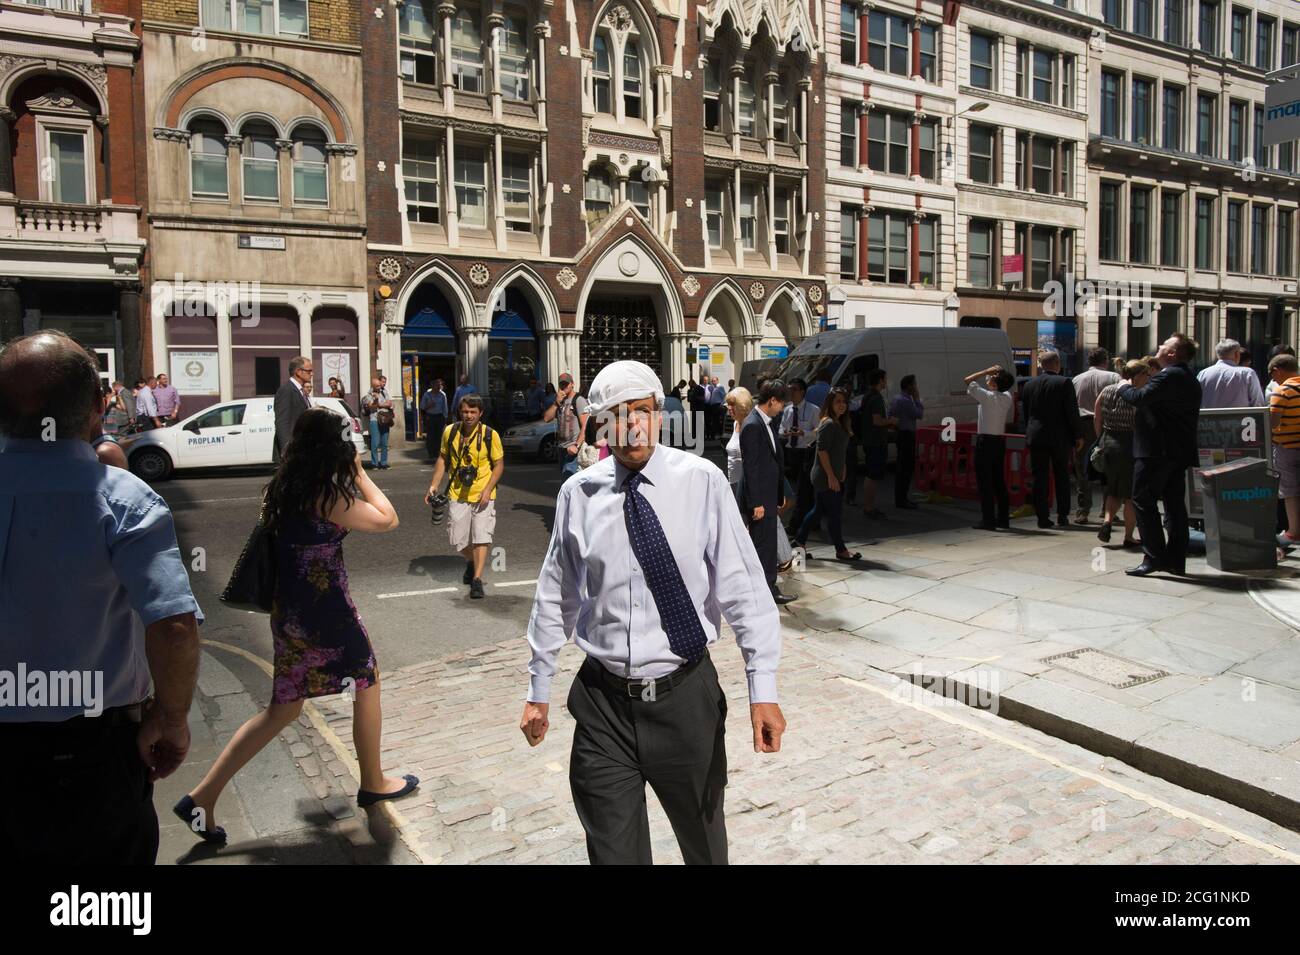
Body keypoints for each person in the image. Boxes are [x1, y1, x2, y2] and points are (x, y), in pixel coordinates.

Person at [520, 360, 785, 865]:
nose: (633, 424)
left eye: (643, 410)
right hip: (604, 709)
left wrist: (763, 690)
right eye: (618, 415)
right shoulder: (579, 494)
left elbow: (744, 589)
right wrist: (538, 690)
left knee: (705, 847)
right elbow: (556, 595)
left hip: (685, 699)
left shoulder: (701, 482)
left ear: (660, 414)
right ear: (600, 424)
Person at [0, 330, 201, 864]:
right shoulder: (124, 498)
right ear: (99, 407)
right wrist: (170, 718)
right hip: (86, 757)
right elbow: (174, 626)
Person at [178, 409, 416, 843]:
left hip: (288, 615)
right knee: (368, 680)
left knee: (283, 708)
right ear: (334, 449)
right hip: (326, 614)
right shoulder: (325, 496)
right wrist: (360, 473)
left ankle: (202, 795)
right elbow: (387, 518)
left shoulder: (281, 489)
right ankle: (373, 782)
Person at [1118, 333, 1202, 576]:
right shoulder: (1187, 377)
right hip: (1178, 451)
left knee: (1142, 500)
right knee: (1174, 505)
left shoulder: (1170, 376)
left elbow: (1139, 397)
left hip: (1156, 451)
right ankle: (1176, 560)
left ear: (1173, 353)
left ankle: (1155, 557)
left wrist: (1124, 385)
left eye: (1165, 344)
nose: (1159, 346)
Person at [425, 394, 504, 599]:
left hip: (483, 493)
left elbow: (499, 465)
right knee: (457, 539)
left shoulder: (489, 435)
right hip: (458, 492)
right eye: (465, 411)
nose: (468, 416)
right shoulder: (450, 432)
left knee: (481, 537)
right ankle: (471, 561)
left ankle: (477, 580)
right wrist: (433, 485)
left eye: (473, 412)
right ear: (460, 412)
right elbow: (443, 459)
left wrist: (487, 490)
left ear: (480, 414)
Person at [741, 378, 795, 605]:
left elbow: (775, 460)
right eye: (781, 403)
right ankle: (767, 591)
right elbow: (751, 467)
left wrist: (779, 493)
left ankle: (765, 588)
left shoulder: (767, 422)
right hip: (760, 499)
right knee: (764, 547)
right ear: (772, 400)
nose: (783, 407)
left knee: (768, 544)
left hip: (769, 495)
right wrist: (756, 503)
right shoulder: (753, 424)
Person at [793, 387, 860, 561]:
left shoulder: (840, 422)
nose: (842, 405)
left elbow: (839, 450)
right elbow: (822, 451)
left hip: (833, 474)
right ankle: (841, 550)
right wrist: (831, 476)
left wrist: (843, 467)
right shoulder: (828, 423)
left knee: (818, 511)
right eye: (837, 401)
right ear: (830, 403)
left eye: (844, 401)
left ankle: (799, 541)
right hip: (824, 476)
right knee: (834, 513)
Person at [1021, 350, 1084, 529]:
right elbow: (1071, 412)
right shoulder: (1064, 382)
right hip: (1059, 437)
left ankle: (1042, 517)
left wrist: (1028, 432)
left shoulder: (1029, 384)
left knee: (1039, 477)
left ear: (1041, 365)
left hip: (1036, 436)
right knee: (1061, 475)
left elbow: (1026, 414)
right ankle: (1062, 515)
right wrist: (1078, 435)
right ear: (1057, 363)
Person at [1094, 359, 1149, 548]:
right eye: (1146, 375)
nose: (1148, 379)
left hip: (1109, 443)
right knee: (1131, 495)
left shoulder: (1107, 390)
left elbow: (1097, 415)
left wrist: (1100, 438)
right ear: (1138, 375)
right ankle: (1128, 536)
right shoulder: (1136, 395)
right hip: (1131, 445)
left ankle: (1107, 522)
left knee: (1113, 489)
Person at [1070, 348, 1121, 523]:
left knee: (1082, 469)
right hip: (1107, 424)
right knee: (1109, 467)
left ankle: (1083, 511)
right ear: (1105, 361)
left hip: (1082, 425)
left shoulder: (1076, 379)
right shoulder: (1113, 378)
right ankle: (1107, 510)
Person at [964, 365, 1015, 531]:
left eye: (991, 378)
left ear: (994, 384)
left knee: (984, 483)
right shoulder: (1007, 397)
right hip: (998, 442)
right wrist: (995, 375)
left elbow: (968, 380)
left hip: (985, 441)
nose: (988, 378)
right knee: (999, 481)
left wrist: (986, 371)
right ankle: (1003, 519)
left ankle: (988, 520)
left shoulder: (986, 396)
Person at [779, 378, 819, 535]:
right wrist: (786, 433)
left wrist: (804, 433)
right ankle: (812, 519)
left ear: (802, 391)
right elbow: (781, 429)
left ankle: (795, 524)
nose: (791, 392)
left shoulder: (813, 410)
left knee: (803, 490)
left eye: (794, 389)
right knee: (803, 489)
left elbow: (818, 432)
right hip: (792, 451)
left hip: (806, 451)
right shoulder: (788, 410)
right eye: (789, 389)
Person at [1268, 354, 1300, 542]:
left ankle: (1294, 531)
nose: (1273, 380)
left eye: (1272, 376)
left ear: (1277, 370)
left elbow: (1272, 421)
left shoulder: (1282, 391)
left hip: (1286, 447)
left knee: (1290, 490)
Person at [858, 369, 897, 518]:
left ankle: (869, 506)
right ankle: (869, 508)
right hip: (875, 441)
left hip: (870, 440)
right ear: (880, 380)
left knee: (871, 474)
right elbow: (877, 420)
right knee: (872, 475)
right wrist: (891, 421)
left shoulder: (868, 396)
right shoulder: (876, 398)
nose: (886, 382)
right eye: (885, 379)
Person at [1198, 338, 1266, 409]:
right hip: (1239, 419)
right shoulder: (1247, 373)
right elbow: (1258, 405)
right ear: (1237, 354)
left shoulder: (1203, 374)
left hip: (1209, 419)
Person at [888, 375, 924, 510]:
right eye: (914, 384)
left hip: (900, 434)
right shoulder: (906, 401)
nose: (916, 387)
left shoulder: (897, 399)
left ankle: (901, 498)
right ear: (909, 386)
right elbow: (919, 414)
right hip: (907, 435)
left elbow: (890, 413)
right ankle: (902, 499)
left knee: (902, 467)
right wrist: (917, 399)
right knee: (906, 468)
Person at [543, 372, 588, 476]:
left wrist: (576, 446)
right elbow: (546, 418)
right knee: (565, 484)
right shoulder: (560, 401)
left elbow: (585, 426)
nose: (564, 386)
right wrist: (556, 403)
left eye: (566, 384)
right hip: (562, 450)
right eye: (561, 384)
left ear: (572, 384)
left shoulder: (579, 400)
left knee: (570, 482)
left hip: (574, 451)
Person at [273, 356, 313, 466]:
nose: (312, 374)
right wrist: (287, 451)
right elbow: (282, 422)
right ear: (299, 372)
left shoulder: (300, 391)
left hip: (303, 449)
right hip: (293, 452)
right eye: (309, 371)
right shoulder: (286, 390)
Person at [724, 385, 753, 508]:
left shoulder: (752, 426)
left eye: (732, 405)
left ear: (743, 405)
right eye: (728, 404)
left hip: (748, 485)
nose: (729, 408)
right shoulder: (736, 422)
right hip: (733, 482)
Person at [360, 375, 393, 470]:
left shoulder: (384, 392)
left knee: (384, 442)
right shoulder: (368, 395)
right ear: (373, 386)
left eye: (380, 385)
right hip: (374, 419)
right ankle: (374, 463)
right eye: (377, 386)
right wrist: (376, 400)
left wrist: (379, 404)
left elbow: (389, 403)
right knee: (375, 442)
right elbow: (371, 407)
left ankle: (383, 463)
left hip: (385, 419)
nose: (379, 387)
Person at [419, 377, 448, 462]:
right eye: (437, 385)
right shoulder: (427, 395)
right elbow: (422, 407)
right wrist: (429, 405)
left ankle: (438, 452)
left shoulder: (442, 395)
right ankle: (431, 453)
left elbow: (444, 407)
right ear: (432, 386)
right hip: (430, 416)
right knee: (431, 435)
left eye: (439, 385)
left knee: (439, 435)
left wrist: (445, 417)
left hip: (439, 416)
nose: (438, 387)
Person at [707, 375, 726, 441]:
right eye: (712, 381)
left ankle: (719, 435)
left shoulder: (720, 387)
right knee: (714, 421)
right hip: (713, 406)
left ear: (717, 381)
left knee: (718, 421)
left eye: (714, 381)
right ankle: (714, 435)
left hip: (718, 405)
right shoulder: (714, 388)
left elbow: (724, 396)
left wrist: (721, 404)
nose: (713, 382)